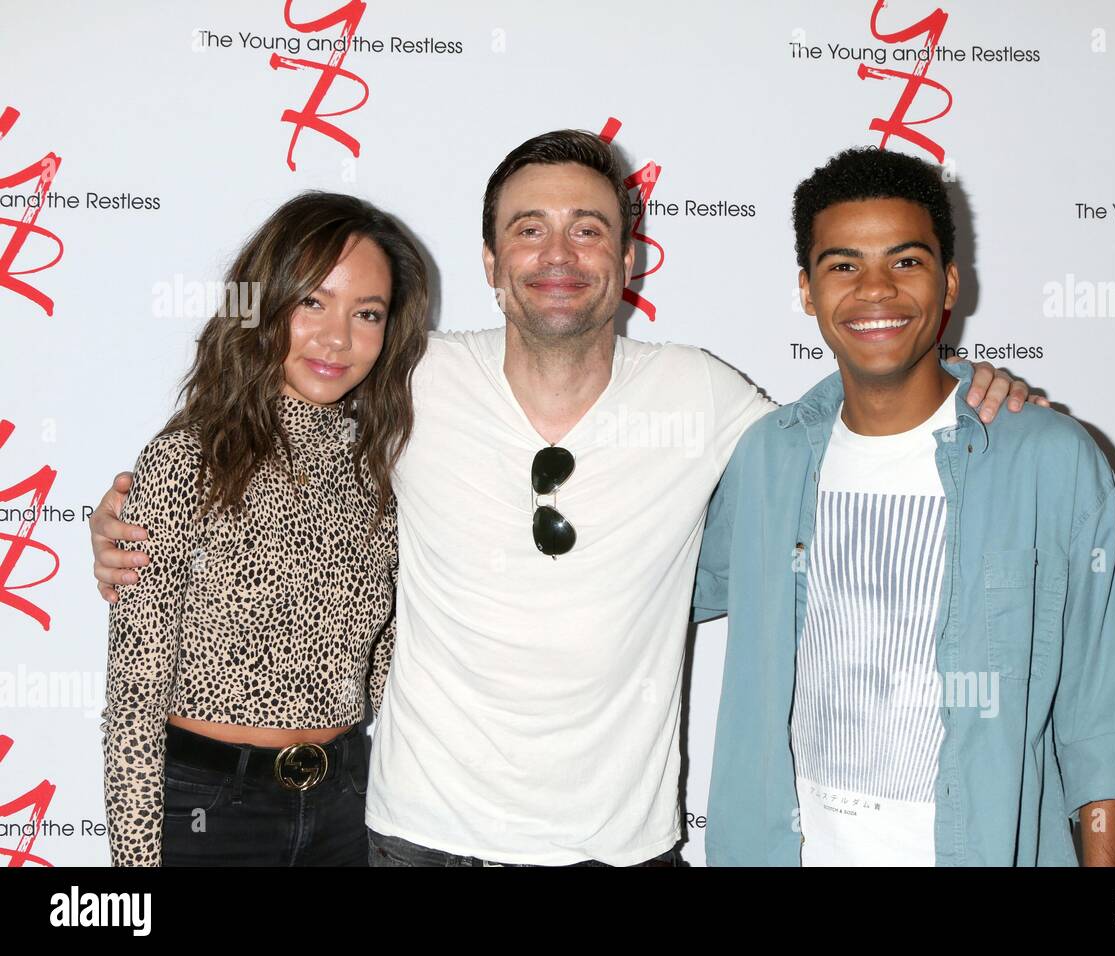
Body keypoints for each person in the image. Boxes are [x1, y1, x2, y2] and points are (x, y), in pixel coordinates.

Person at [91, 130, 1038, 868]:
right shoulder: (410, 386)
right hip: (414, 836)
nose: (559, 252)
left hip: (619, 845)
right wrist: (131, 521)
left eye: (589, 229)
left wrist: (971, 387)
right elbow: (262, 442)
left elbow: (848, 437)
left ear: (631, 263)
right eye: (528, 229)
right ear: (493, 265)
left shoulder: (700, 394)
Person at [693, 147, 1115, 866]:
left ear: (949, 282)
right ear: (806, 290)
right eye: (844, 265)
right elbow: (652, 588)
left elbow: (1102, 725)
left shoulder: (1048, 459)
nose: (875, 291)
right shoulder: (765, 459)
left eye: (905, 262)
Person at [100, 191, 429, 866]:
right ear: (262, 303)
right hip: (207, 815)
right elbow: (135, 695)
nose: (337, 338)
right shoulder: (186, 461)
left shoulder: (387, 475)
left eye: (366, 314)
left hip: (347, 806)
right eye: (312, 301)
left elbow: (391, 676)